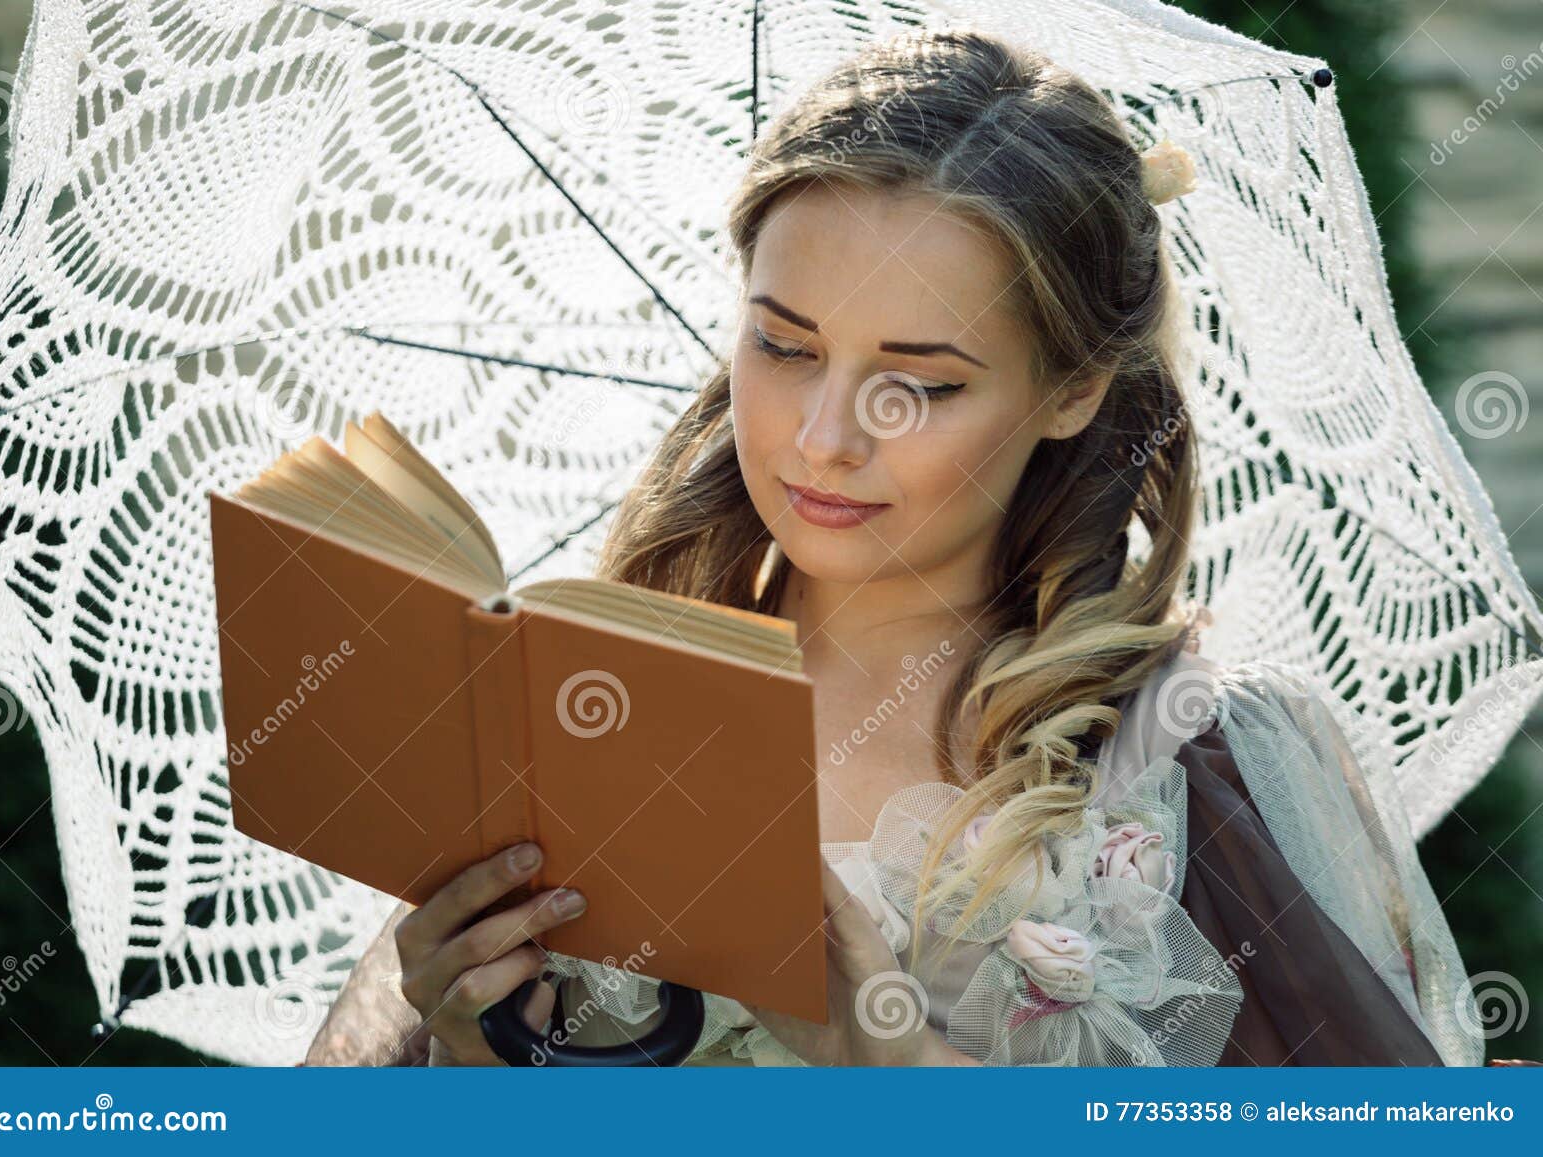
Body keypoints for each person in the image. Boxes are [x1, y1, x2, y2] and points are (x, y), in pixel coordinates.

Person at [303, 27, 1485, 1067]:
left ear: (1070, 387)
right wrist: (470, 1054)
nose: (822, 440)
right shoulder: (577, 709)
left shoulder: (1190, 767)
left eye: (917, 382)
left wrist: (892, 1053)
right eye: (783, 346)